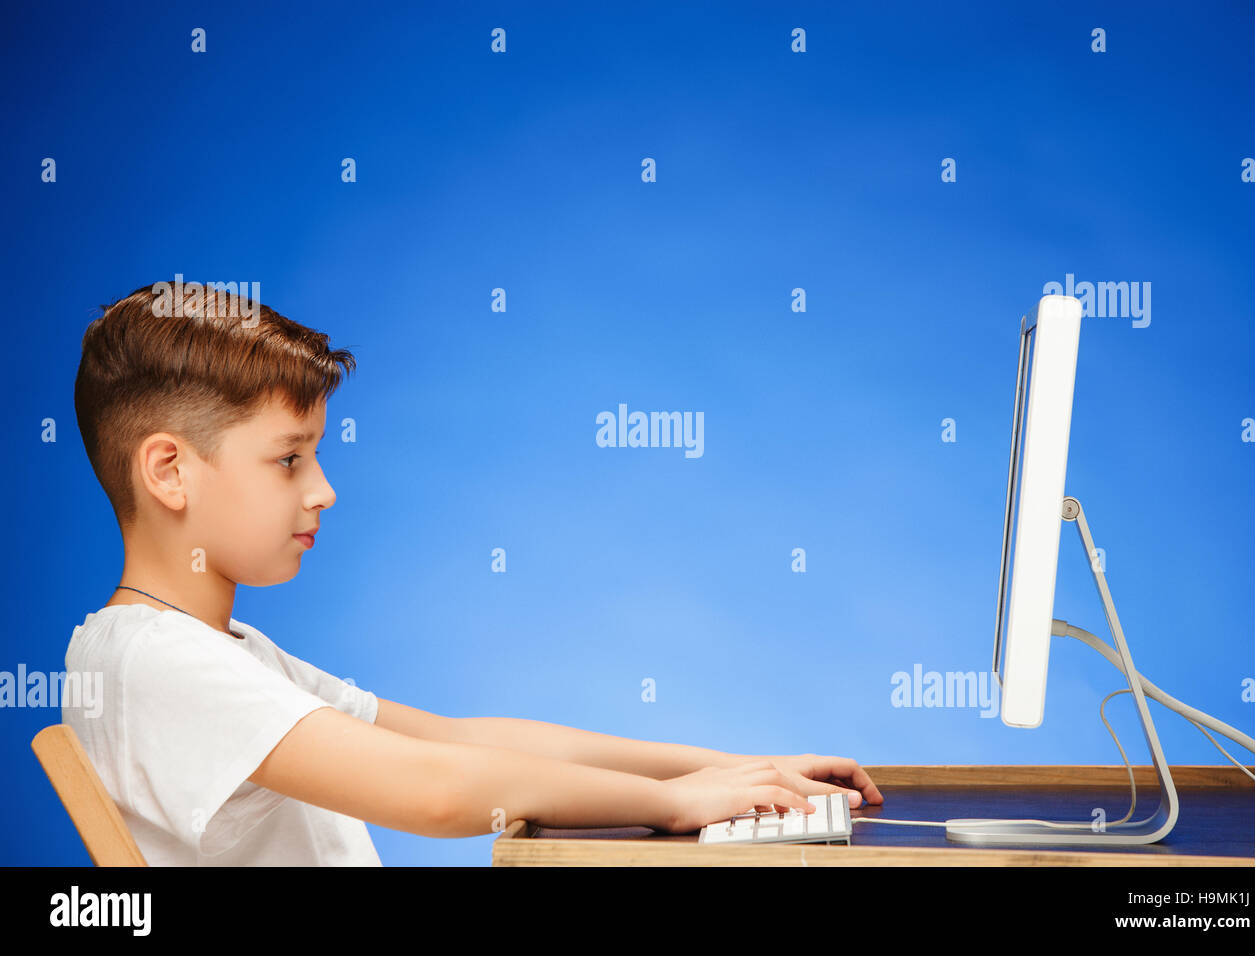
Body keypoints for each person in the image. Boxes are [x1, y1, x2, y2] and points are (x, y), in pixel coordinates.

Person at [66, 280, 883, 865]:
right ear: (168, 472)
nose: (323, 490)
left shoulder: (216, 650)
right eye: (288, 460)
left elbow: (459, 740)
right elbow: (436, 789)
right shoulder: (153, 663)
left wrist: (719, 768)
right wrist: (677, 804)